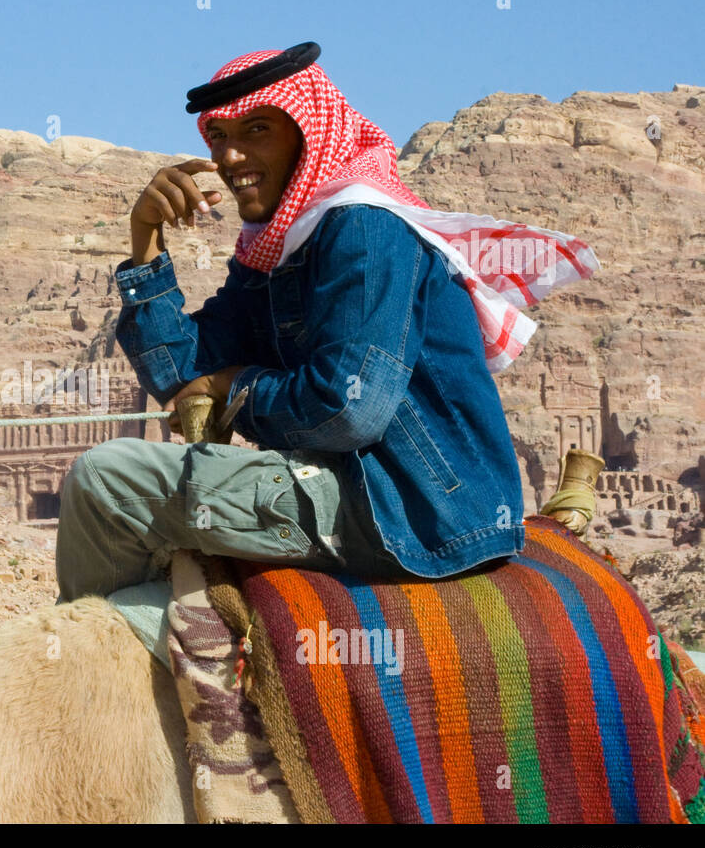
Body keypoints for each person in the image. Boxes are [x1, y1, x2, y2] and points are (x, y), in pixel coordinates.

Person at [55, 42, 597, 602]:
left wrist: (231, 385)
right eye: (219, 136)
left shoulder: (362, 229)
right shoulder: (274, 254)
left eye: (257, 130)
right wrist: (145, 241)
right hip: (346, 489)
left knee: (107, 479)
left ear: (309, 134)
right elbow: (177, 372)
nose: (230, 157)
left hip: (407, 508)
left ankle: (70, 676)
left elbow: (348, 409)